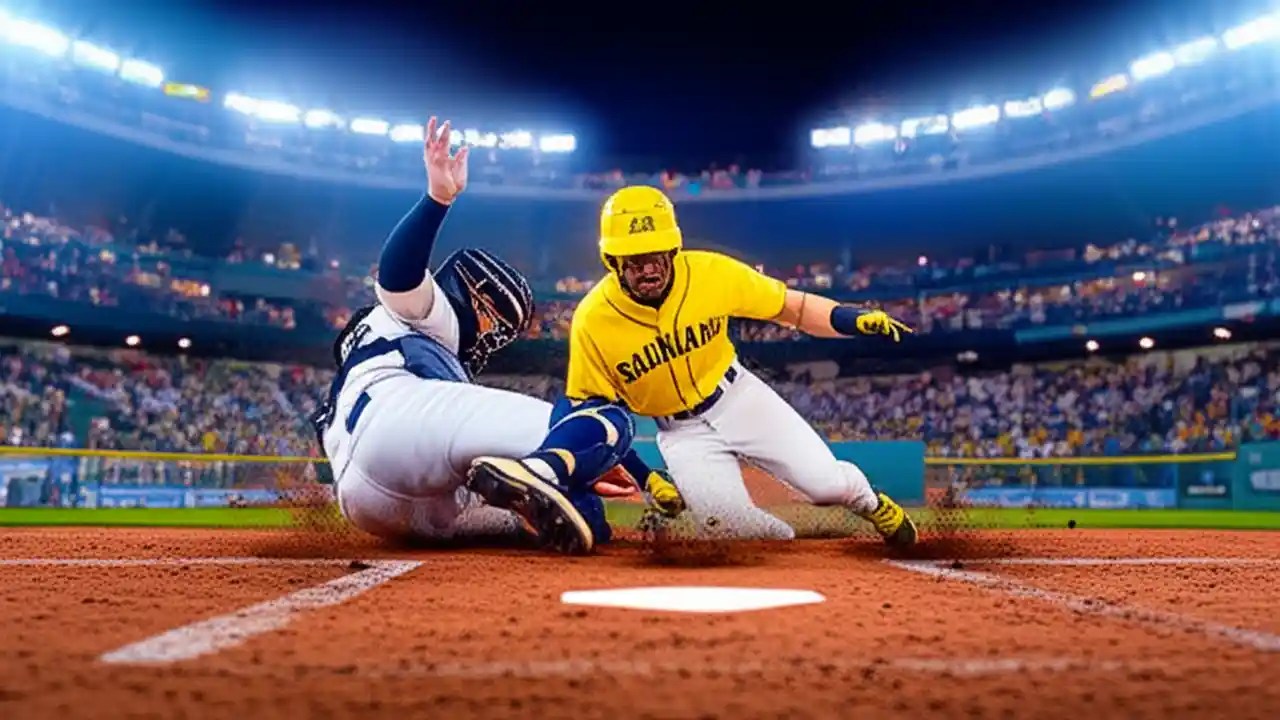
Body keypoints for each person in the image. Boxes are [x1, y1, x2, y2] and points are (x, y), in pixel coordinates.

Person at [313, 119, 680, 554]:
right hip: (397, 422)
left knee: (585, 519)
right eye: (494, 318)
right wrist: (436, 201)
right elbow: (396, 273)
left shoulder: (401, 339)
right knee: (605, 417)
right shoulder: (435, 314)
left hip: (369, 502)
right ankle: (549, 469)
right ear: (468, 291)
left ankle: (545, 478)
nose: (494, 336)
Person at [552, 185, 918, 543]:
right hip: (681, 433)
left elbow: (791, 307)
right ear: (613, 262)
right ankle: (791, 549)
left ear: (673, 248)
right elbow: (592, 413)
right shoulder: (592, 319)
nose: (648, 269)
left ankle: (870, 503)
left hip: (739, 398)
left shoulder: (711, 273)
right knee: (730, 532)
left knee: (826, 485)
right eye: (634, 260)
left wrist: (848, 317)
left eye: (656, 255)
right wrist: (646, 477)